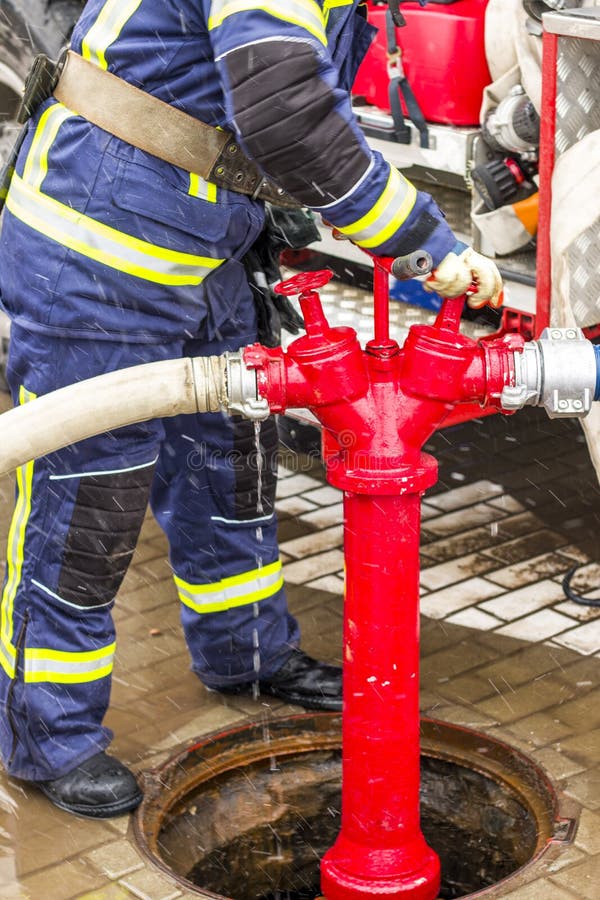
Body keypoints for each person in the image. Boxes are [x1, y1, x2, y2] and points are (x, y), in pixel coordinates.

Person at [0, 0, 502, 819]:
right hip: (97, 251)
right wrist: (423, 242)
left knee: (229, 467)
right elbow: (284, 108)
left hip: (204, 245)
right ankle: (46, 738)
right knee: (88, 504)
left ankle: (250, 657)